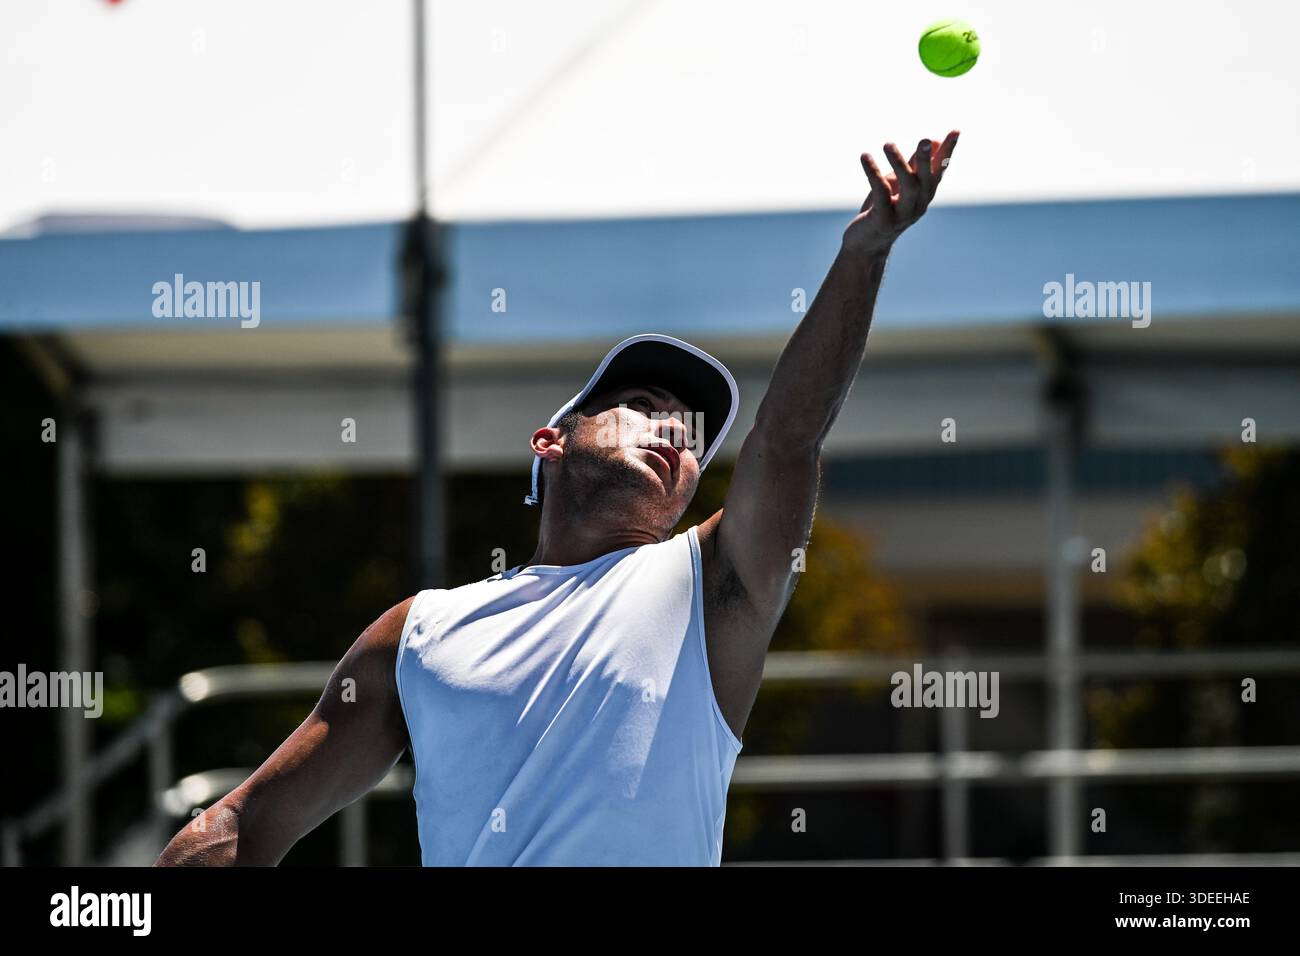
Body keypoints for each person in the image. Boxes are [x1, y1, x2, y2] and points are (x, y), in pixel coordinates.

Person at [155, 131, 960, 866]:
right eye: (645, 403)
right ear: (552, 440)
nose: (674, 432)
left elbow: (787, 439)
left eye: (690, 436)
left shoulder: (711, 584)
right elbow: (246, 823)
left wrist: (865, 257)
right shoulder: (420, 631)